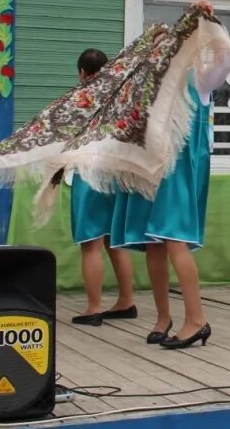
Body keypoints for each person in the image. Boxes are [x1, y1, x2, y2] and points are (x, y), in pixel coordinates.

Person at [110, 0, 230, 349]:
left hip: (178, 172)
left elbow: (225, 58)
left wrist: (208, 21)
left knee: (174, 238)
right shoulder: (146, 90)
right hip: (150, 172)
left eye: (170, 45)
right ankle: (163, 316)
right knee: (153, 243)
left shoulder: (200, 79)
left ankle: (196, 319)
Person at [69, 48, 137, 326]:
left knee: (91, 244)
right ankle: (126, 301)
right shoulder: (120, 97)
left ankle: (94, 307)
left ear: (82, 72)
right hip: (114, 175)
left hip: (88, 173)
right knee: (114, 241)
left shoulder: (79, 99)